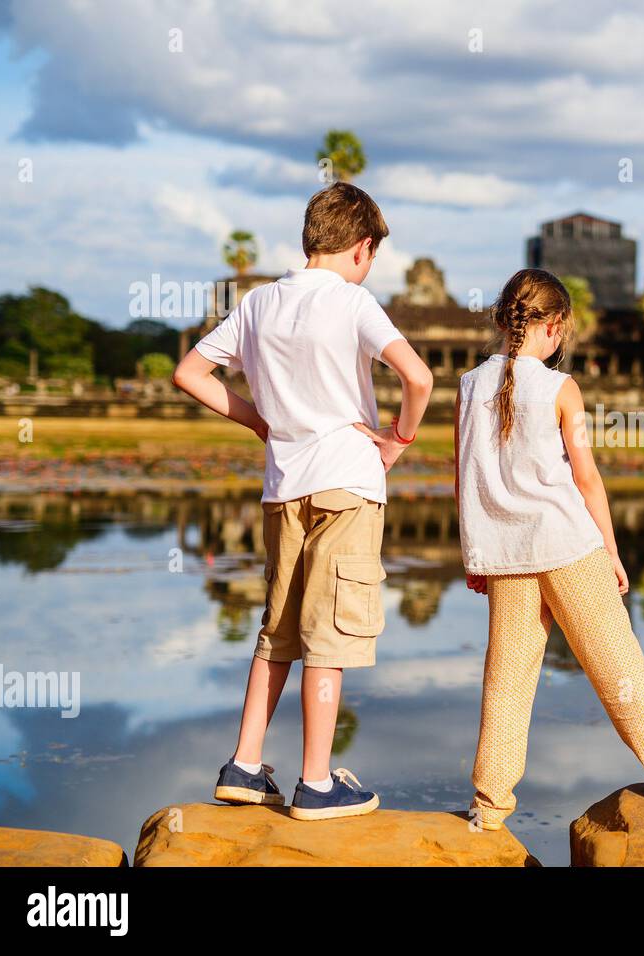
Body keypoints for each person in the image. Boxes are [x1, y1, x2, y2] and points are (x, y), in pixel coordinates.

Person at [172, 182, 433, 820]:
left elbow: (188, 374)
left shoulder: (260, 301)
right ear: (362, 247)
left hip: (282, 488)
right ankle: (316, 783)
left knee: (277, 630)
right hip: (347, 483)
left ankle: (245, 763)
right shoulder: (353, 301)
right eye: (372, 255)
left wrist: (259, 421)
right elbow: (418, 376)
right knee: (330, 635)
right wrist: (399, 439)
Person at [455, 268, 644, 831]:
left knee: (507, 682)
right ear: (557, 327)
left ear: (501, 319)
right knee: (616, 665)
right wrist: (612, 551)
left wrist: (477, 556)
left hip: (508, 555)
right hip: (568, 546)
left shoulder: (468, 387)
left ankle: (490, 807)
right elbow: (587, 479)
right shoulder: (561, 388)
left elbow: (462, 479)